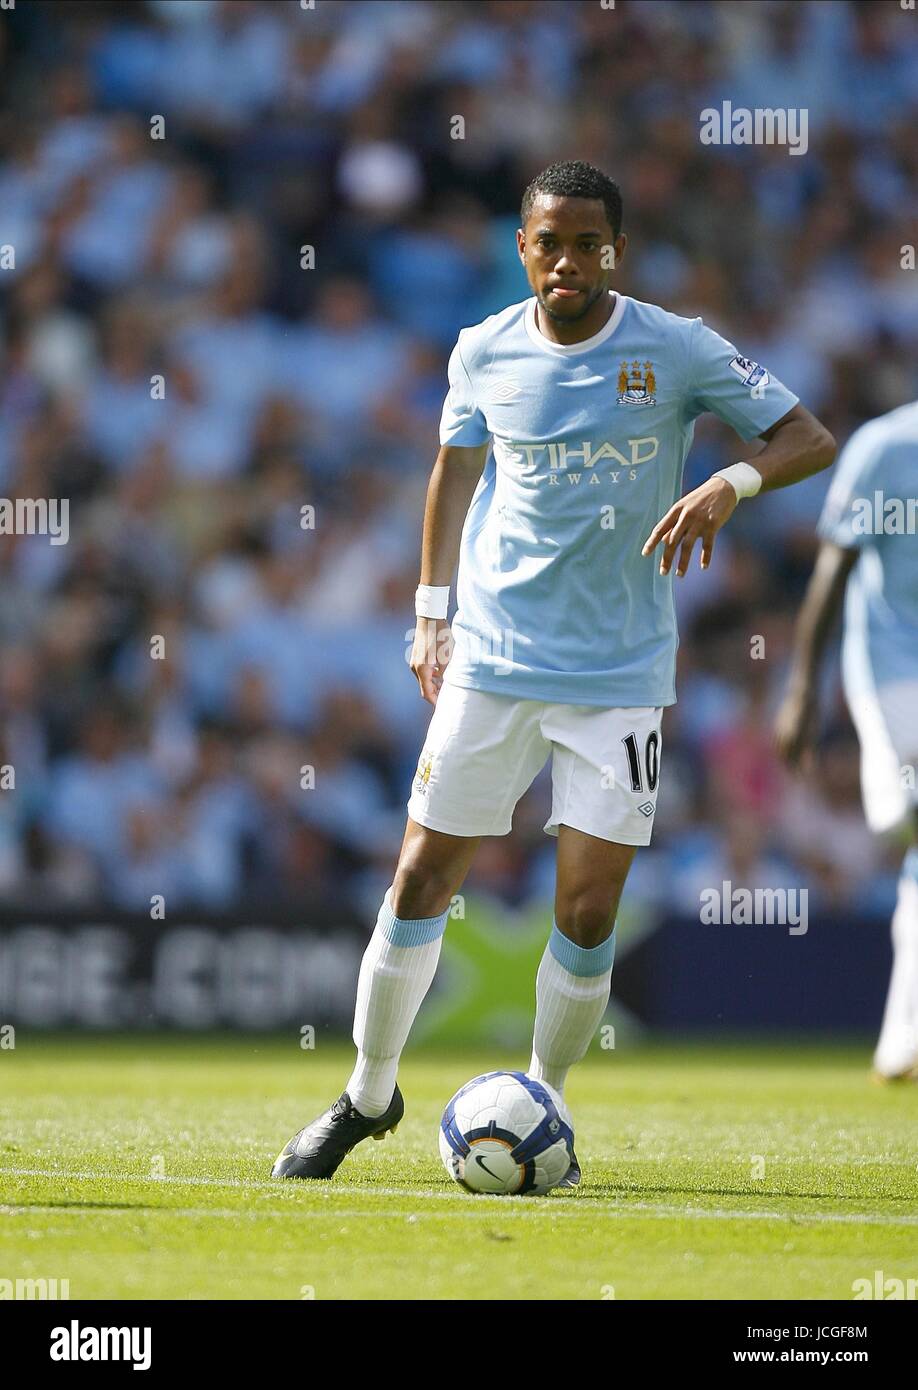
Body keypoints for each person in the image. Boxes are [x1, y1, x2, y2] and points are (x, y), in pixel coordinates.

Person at [273, 160, 835, 1183]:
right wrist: (431, 614)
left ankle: (545, 1106)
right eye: (549, 242)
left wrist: (729, 483)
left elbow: (809, 434)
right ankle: (365, 1094)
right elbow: (453, 472)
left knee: (585, 909)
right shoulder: (482, 348)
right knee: (419, 873)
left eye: (588, 242)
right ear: (522, 247)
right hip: (492, 658)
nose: (567, 260)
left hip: (620, 673)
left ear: (615, 249)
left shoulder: (675, 348)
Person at [776, 400, 918, 1082]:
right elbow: (832, 571)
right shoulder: (887, 446)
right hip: (893, 669)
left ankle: (903, 1038)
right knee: (911, 826)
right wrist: (803, 690)